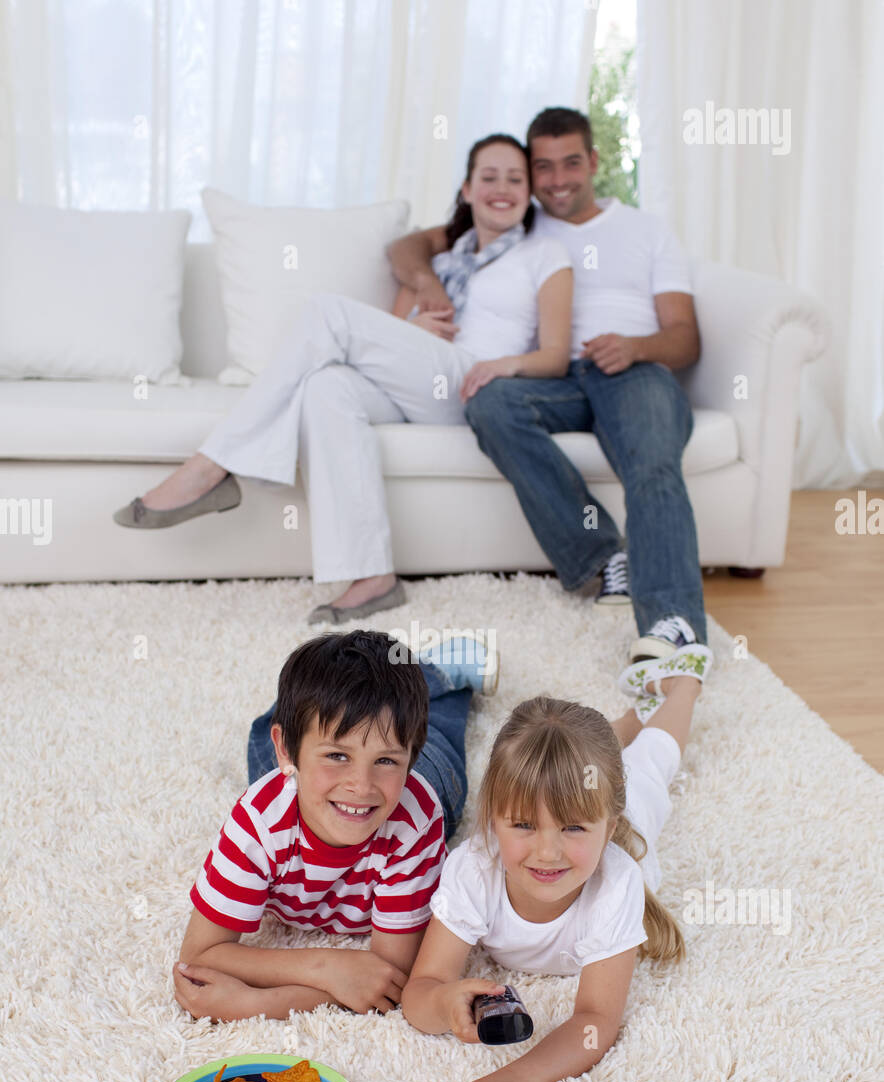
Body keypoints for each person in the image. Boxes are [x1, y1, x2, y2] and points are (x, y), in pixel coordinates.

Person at [114, 134, 573, 627]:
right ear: (465, 188)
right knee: (324, 386)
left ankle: (211, 467)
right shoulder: (438, 263)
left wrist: (506, 364)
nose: (501, 188)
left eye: (515, 179)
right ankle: (372, 576)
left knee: (327, 313)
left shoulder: (545, 255)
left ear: (529, 193)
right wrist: (411, 326)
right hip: (420, 382)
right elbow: (392, 336)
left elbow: (556, 356)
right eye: (489, 177)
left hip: (477, 386)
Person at [388, 106, 708, 665]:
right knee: (488, 403)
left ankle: (672, 630)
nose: (558, 180)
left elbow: (686, 339)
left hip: (631, 372)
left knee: (652, 465)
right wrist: (425, 282)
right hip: (559, 379)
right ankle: (602, 555)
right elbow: (406, 247)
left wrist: (636, 346)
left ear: (595, 162)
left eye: (571, 164)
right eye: (544, 167)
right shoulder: (519, 220)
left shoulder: (645, 229)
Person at [400, 639, 714, 1082]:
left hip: (625, 805)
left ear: (608, 829)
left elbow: (597, 1020)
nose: (547, 853)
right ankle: (631, 716)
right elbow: (420, 990)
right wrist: (443, 1003)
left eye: (572, 829)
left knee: (652, 761)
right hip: (586, 790)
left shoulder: (618, 880)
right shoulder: (472, 868)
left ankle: (683, 685)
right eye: (523, 825)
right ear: (491, 822)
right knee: (570, 767)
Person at [173, 627, 499, 1024]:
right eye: (336, 756)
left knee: (438, 730)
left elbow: (388, 979)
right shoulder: (259, 821)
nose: (360, 786)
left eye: (386, 760)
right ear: (286, 749)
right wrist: (325, 967)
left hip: (424, 779)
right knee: (271, 736)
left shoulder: (414, 822)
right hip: (301, 781)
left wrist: (258, 1005)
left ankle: (437, 672)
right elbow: (198, 956)